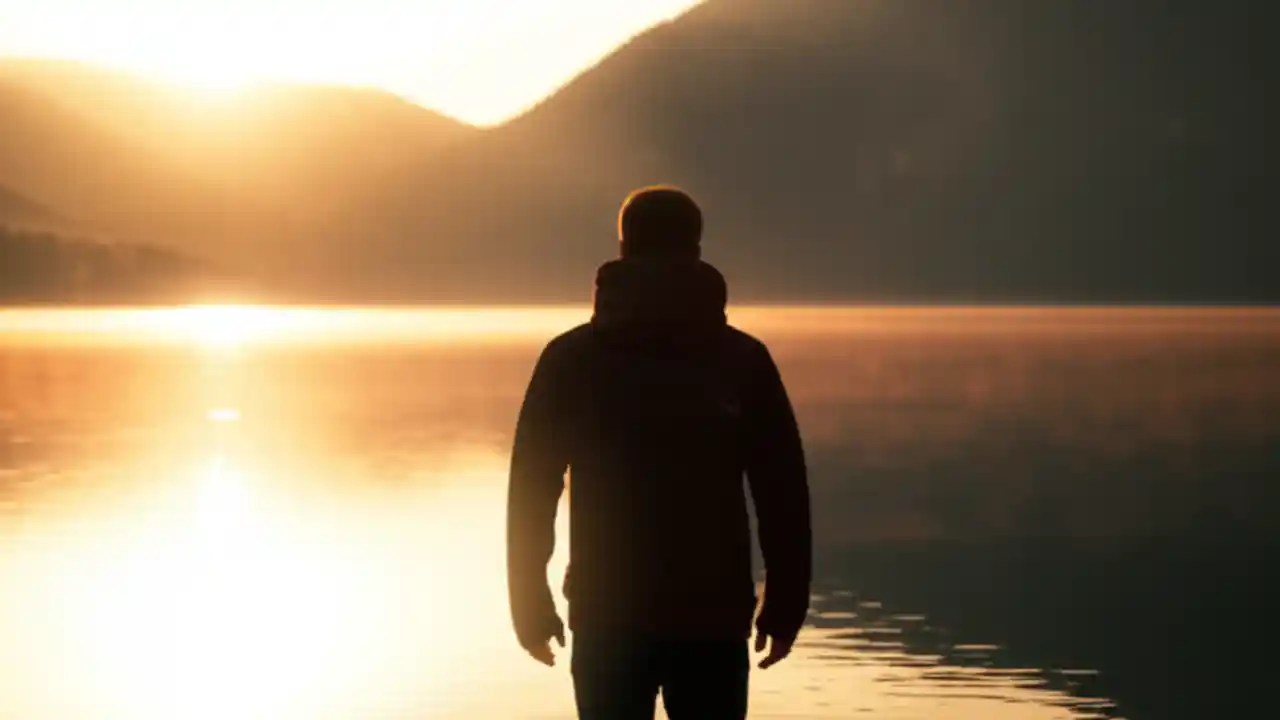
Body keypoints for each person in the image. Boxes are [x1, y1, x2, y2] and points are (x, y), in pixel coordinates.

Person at [507, 186, 811, 719]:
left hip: (607, 614)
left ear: (623, 247)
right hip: (712, 617)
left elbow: (531, 493)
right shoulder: (742, 360)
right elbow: (781, 493)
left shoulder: (571, 360)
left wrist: (530, 606)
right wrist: (784, 608)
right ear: (696, 247)